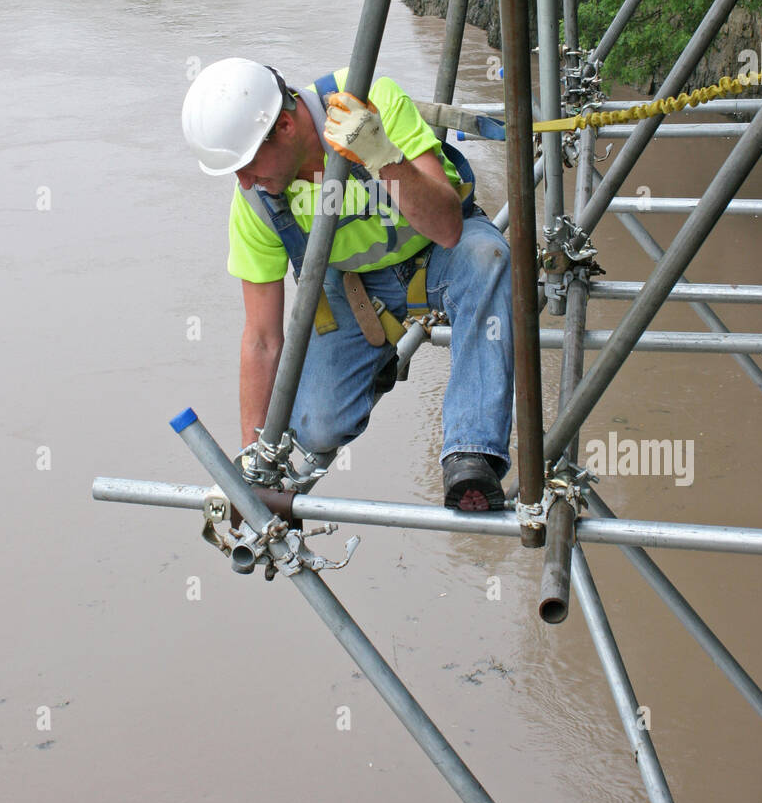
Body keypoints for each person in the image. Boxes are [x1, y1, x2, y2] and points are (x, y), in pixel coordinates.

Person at [182, 57, 514, 511]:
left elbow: (448, 228)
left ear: (283, 125)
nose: (243, 182)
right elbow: (261, 338)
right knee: (317, 427)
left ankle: (471, 453)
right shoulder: (255, 202)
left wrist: (383, 157)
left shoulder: (372, 101)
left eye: (248, 164)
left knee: (486, 256)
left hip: (442, 253)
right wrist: (253, 463)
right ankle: (366, 363)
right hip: (358, 292)